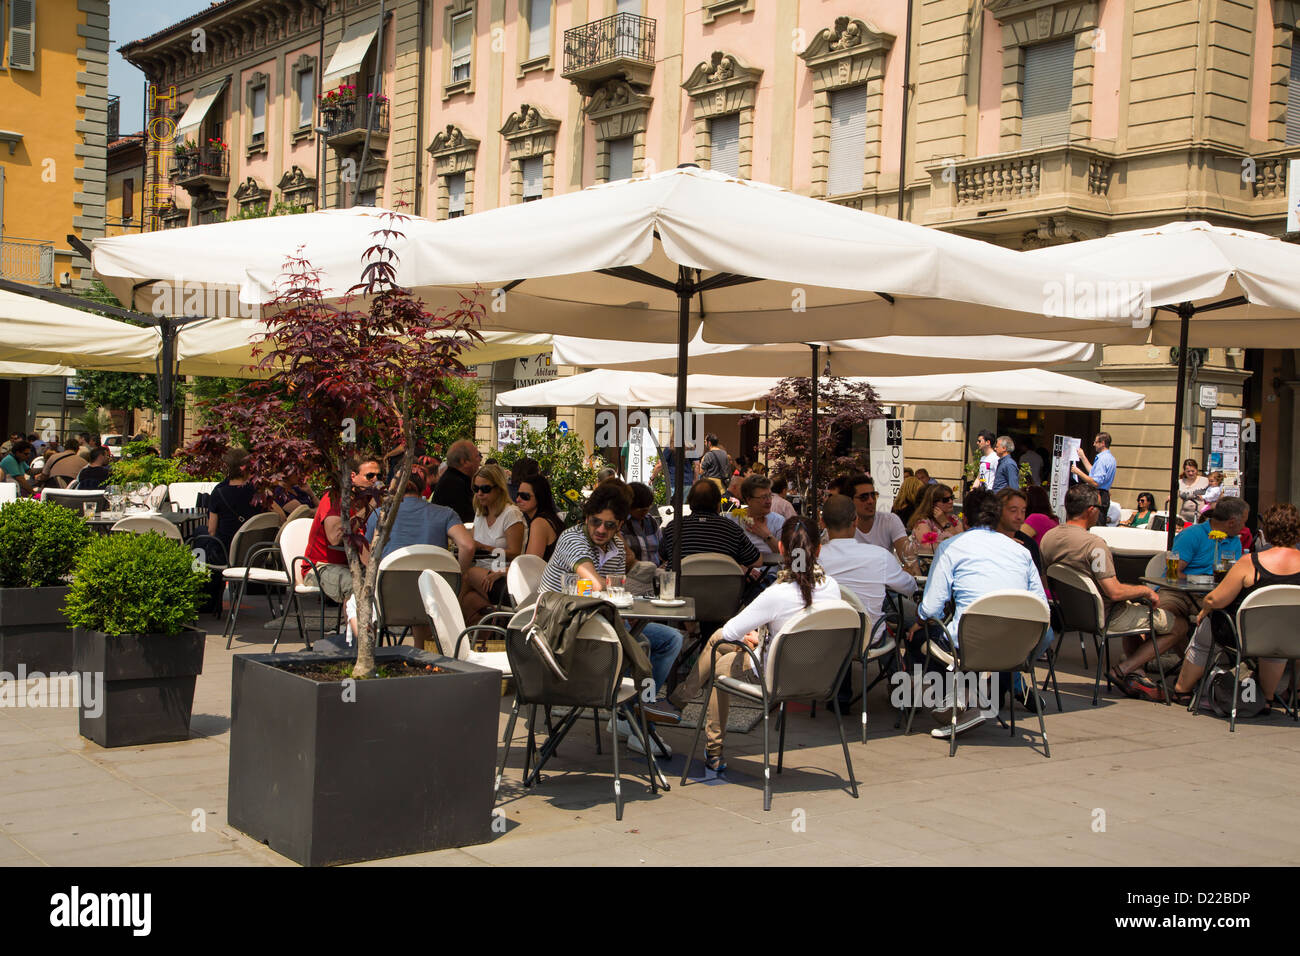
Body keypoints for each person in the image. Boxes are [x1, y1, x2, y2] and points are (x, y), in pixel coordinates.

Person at [668, 518, 840, 772]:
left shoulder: (777, 593)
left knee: (719, 660)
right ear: (818, 550)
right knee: (718, 642)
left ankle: (708, 741)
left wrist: (758, 636)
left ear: (781, 548)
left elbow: (730, 631)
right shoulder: (833, 587)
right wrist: (764, 637)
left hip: (776, 675)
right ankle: (681, 699)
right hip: (817, 675)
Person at [538, 482, 683, 720]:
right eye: (595, 521)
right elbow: (596, 583)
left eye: (609, 525)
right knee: (640, 645)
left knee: (671, 639)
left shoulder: (615, 545)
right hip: (563, 632)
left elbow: (613, 591)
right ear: (586, 518)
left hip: (600, 622)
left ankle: (634, 713)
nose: (601, 530)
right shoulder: (572, 539)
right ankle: (637, 715)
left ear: (620, 525)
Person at [912, 491, 1050, 734]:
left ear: (965, 522)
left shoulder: (951, 547)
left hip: (970, 647)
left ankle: (957, 701)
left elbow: (932, 607)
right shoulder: (1022, 552)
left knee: (924, 634)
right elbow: (1042, 608)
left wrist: (919, 619)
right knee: (973, 634)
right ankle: (964, 700)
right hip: (1015, 649)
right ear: (997, 518)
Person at [1039, 484, 1185, 698]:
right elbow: (1114, 591)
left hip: (1070, 615)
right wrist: (1145, 591)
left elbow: (1045, 580)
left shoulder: (1048, 539)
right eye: (1100, 507)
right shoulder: (1094, 544)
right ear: (1091, 510)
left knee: (1133, 610)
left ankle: (1136, 672)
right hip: (1106, 616)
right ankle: (1123, 670)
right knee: (1179, 625)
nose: (1101, 511)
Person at [1168, 504, 1300, 707]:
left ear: (1268, 530)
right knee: (1276, 639)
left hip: (1243, 633)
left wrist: (1205, 608)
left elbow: (1216, 599)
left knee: (1205, 629)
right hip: (1289, 636)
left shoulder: (1251, 562)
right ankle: (1266, 699)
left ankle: (1182, 690)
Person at [820, 494, 915, 636]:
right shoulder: (880, 556)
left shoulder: (811, 559)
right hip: (869, 641)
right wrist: (907, 573)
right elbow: (909, 588)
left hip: (826, 642)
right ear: (856, 521)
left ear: (822, 523)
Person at [304, 456, 381, 605]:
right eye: (370, 475)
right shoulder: (333, 497)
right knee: (355, 587)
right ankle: (353, 628)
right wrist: (371, 506)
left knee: (383, 584)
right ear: (353, 476)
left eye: (379, 475)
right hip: (321, 567)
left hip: (354, 564)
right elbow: (335, 537)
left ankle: (368, 627)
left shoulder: (368, 499)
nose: (375, 480)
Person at [659, 478, 764, 585]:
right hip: (724, 596)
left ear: (690, 502)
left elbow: (662, 556)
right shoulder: (732, 529)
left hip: (680, 594)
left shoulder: (674, 528)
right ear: (718, 503)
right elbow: (757, 561)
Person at [461, 464, 525, 623]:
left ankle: (450, 627)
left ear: (499, 488)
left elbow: (516, 553)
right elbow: (473, 543)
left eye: (485, 489)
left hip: (502, 574)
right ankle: (483, 639)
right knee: (470, 599)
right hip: (483, 574)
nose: (480, 493)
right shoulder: (480, 512)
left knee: (465, 575)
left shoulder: (511, 513)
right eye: (476, 489)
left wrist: (484, 548)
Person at [845, 473, 917, 572]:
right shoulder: (843, 525)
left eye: (873, 495)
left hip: (885, 583)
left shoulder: (890, 520)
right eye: (864, 497)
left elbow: (908, 558)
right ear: (850, 501)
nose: (871, 501)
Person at [206, 449, 265, 555]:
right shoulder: (259, 492)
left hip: (225, 553)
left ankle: (198, 570)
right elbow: (280, 517)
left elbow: (211, 531)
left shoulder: (218, 493)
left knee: (199, 536)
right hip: (255, 553)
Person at [732, 474, 784, 557]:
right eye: (763, 497)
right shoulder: (733, 520)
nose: (768, 501)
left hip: (770, 569)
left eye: (770, 496)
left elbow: (785, 554)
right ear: (748, 499)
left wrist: (767, 536)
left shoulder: (778, 521)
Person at [517, 473, 564, 562]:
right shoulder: (549, 517)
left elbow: (530, 565)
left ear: (539, 497)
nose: (518, 499)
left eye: (524, 496)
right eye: (518, 495)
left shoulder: (539, 523)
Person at [433, 439, 481, 523]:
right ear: (464, 461)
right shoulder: (454, 485)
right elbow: (469, 520)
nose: (479, 460)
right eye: (477, 456)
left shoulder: (453, 479)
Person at [907, 483, 962, 552]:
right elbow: (927, 548)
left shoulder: (953, 519)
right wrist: (943, 522)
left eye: (952, 498)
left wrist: (945, 522)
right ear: (932, 503)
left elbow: (961, 542)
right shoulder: (923, 522)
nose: (950, 501)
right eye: (945, 500)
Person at [622, 481, 663, 567]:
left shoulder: (651, 521)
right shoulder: (621, 524)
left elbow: (661, 548)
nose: (645, 512)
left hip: (655, 573)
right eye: (641, 510)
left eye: (647, 509)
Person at [1175, 458, 1209, 525]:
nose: (1191, 473)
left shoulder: (1205, 481)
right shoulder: (1180, 482)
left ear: (1197, 470)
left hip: (1200, 517)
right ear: (1184, 471)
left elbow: (1215, 493)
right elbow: (1176, 494)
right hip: (1184, 516)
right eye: (1188, 471)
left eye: (1193, 471)